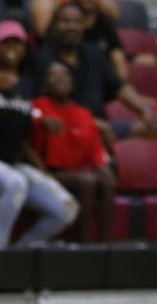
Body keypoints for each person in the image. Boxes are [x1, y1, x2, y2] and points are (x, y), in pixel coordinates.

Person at [0, 22, 78, 248]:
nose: (11, 48)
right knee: (15, 183)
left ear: (25, 49)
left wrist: (43, 172)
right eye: (5, 43)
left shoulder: (26, 86)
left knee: (67, 208)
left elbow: (23, 138)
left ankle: (23, 249)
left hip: (12, 164)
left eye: (17, 43)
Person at [34, 2, 157, 138]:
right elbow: (43, 107)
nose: (72, 27)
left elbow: (120, 88)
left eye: (77, 22)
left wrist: (144, 111)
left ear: (84, 25)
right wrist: (91, 123)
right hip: (64, 127)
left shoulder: (93, 53)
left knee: (154, 128)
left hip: (102, 124)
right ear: (55, 25)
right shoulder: (43, 58)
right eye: (65, 22)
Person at [31, 59, 116, 242]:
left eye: (65, 75)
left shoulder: (82, 113)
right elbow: (33, 120)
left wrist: (103, 167)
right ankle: (80, 243)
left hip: (77, 171)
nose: (61, 78)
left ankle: (106, 243)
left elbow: (96, 151)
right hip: (47, 171)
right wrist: (42, 123)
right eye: (54, 75)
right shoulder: (38, 105)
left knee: (107, 182)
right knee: (87, 182)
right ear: (45, 83)